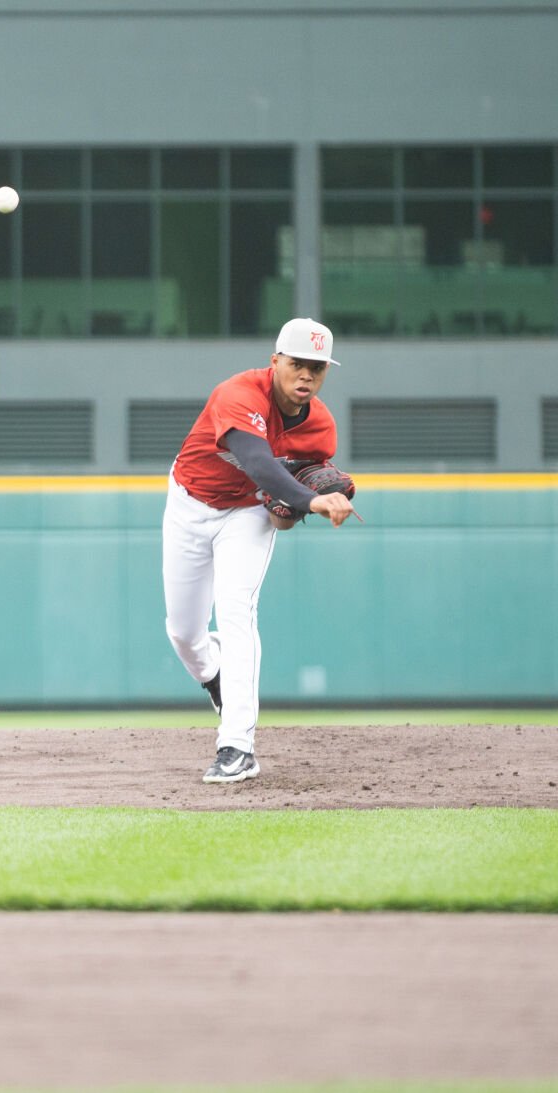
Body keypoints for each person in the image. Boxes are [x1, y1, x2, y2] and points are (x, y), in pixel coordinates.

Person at [163, 317, 358, 784]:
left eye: (317, 366)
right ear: (275, 362)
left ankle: (237, 748)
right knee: (184, 632)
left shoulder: (321, 428)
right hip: (190, 503)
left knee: (236, 614)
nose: (307, 375)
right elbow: (256, 462)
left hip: (246, 515)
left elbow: (278, 516)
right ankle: (214, 678)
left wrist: (295, 509)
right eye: (297, 364)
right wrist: (309, 498)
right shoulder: (238, 394)